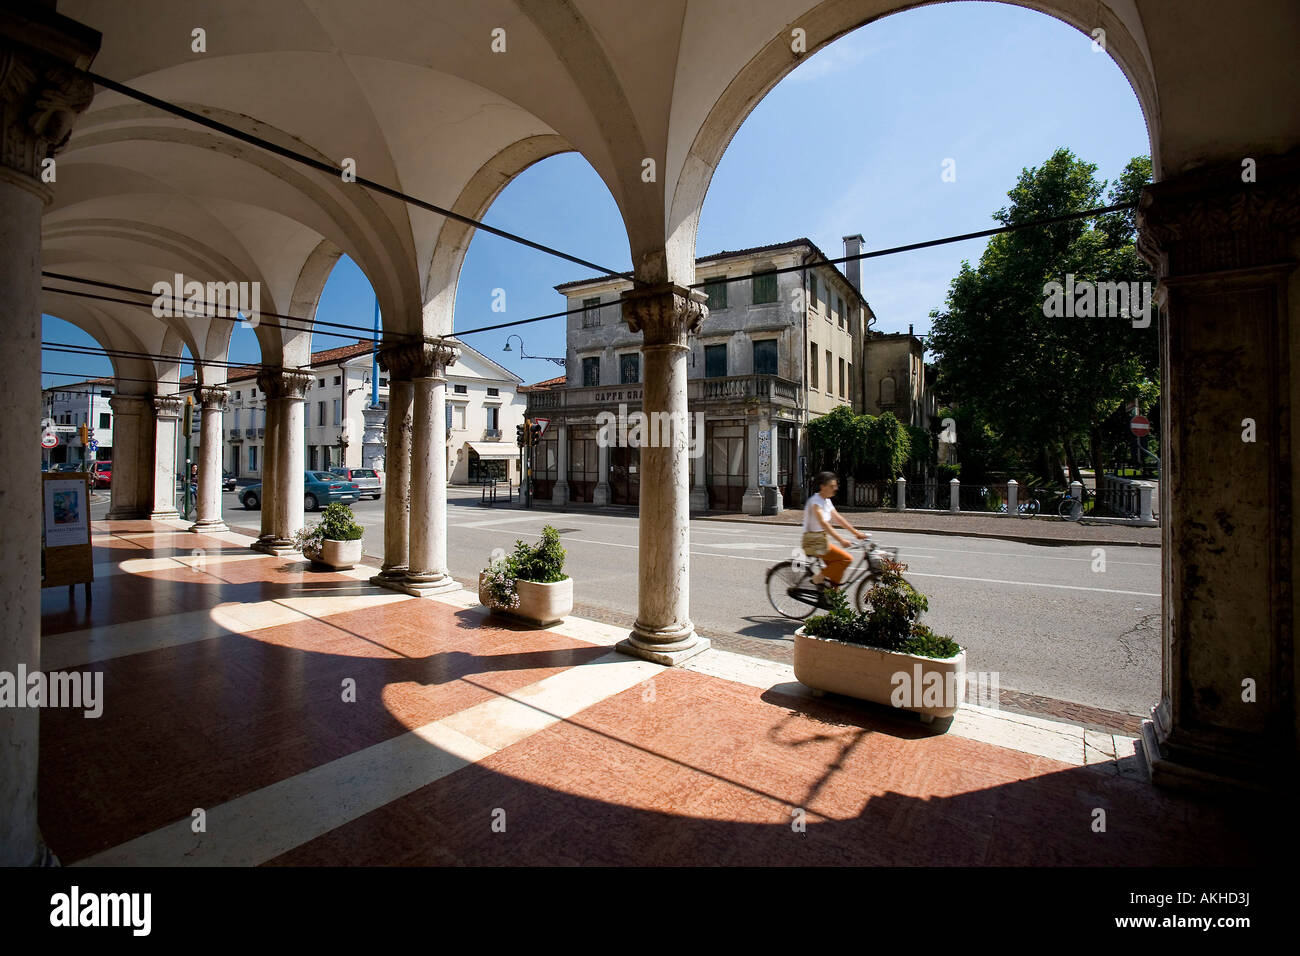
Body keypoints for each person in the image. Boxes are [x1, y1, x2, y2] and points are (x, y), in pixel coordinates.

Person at [801, 471, 868, 590]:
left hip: (821, 540)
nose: (835, 488)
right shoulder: (816, 502)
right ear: (822, 487)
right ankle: (818, 578)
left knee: (837, 568)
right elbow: (824, 523)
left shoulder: (826, 500)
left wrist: (856, 533)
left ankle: (832, 598)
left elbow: (838, 519)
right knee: (846, 559)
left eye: (835, 486)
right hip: (814, 541)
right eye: (832, 486)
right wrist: (841, 540)